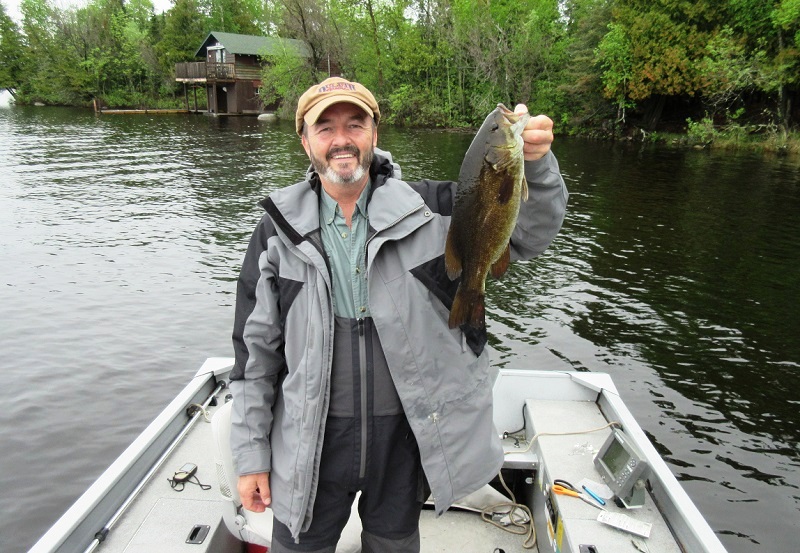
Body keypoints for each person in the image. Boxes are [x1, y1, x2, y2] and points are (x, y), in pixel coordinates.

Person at [229, 76, 568, 553]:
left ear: (374, 133)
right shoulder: (275, 231)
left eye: (355, 123)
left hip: (404, 442)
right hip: (308, 444)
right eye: (324, 127)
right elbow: (254, 357)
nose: (341, 138)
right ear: (304, 140)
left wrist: (537, 166)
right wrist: (251, 457)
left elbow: (530, 234)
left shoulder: (436, 207)